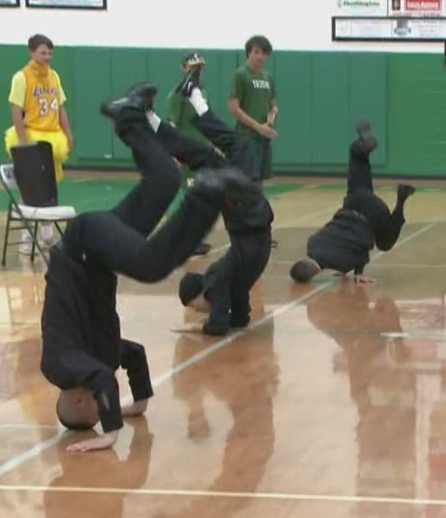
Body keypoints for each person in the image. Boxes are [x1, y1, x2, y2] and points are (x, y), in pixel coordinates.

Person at [42, 82, 255, 454]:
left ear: (77, 400)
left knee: (151, 265)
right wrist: (138, 402)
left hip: (83, 248)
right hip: (94, 248)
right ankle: (128, 114)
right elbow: (132, 355)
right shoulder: (96, 355)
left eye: (95, 411)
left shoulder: (60, 366)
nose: (102, 406)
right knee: (164, 180)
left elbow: (102, 377)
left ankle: (210, 189)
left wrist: (110, 431)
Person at [163, 67, 275, 336]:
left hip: (249, 218)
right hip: (249, 217)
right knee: (231, 147)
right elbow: (239, 319)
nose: (200, 311)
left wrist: (195, 327)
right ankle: (190, 99)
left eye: (195, 308)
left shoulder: (217, 281)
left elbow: (219, 326)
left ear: (196, 296)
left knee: (211, 155)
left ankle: (182, 104)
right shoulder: (223, 280)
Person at [289, 120, 415, 284]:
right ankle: (357, 152)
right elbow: (334, 239)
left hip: (373, 217)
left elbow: (361, 251)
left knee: (385, 243)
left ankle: (401, 199)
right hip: (353, 204)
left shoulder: (343, 263)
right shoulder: (313, 242)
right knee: (358, 182)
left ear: (314, 275)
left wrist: (358, 273)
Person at [4, 34, 74, 254]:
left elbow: (60, 108)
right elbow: (16, 111)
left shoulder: (54, 76)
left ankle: (47, 236)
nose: (47, 57)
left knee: (49, 188)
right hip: (32, 135)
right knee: (30, 189)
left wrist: (68, 134)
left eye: (50, 53)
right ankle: (26, 238)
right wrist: (23, 143)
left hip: (52, 137)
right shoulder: (21, 77)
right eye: (43, 53)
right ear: (31, 52)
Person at [165, 51, 216, 256]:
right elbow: (171, 125)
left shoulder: (201, 92)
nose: (197, 71)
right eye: (193, 67)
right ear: (183, 68)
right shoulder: (178, 94)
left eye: (199, 67)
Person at [229, 35, 277, 183]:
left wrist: (271, 118)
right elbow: (234, 109)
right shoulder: (240, 75)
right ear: (248, 52)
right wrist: (257, 126)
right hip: (246, 137)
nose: (260, 57)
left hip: (263, 138)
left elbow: (273, 105)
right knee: (247, 179)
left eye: (264, 53)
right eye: (256, 52)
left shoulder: (268, 77)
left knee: (260, 179)